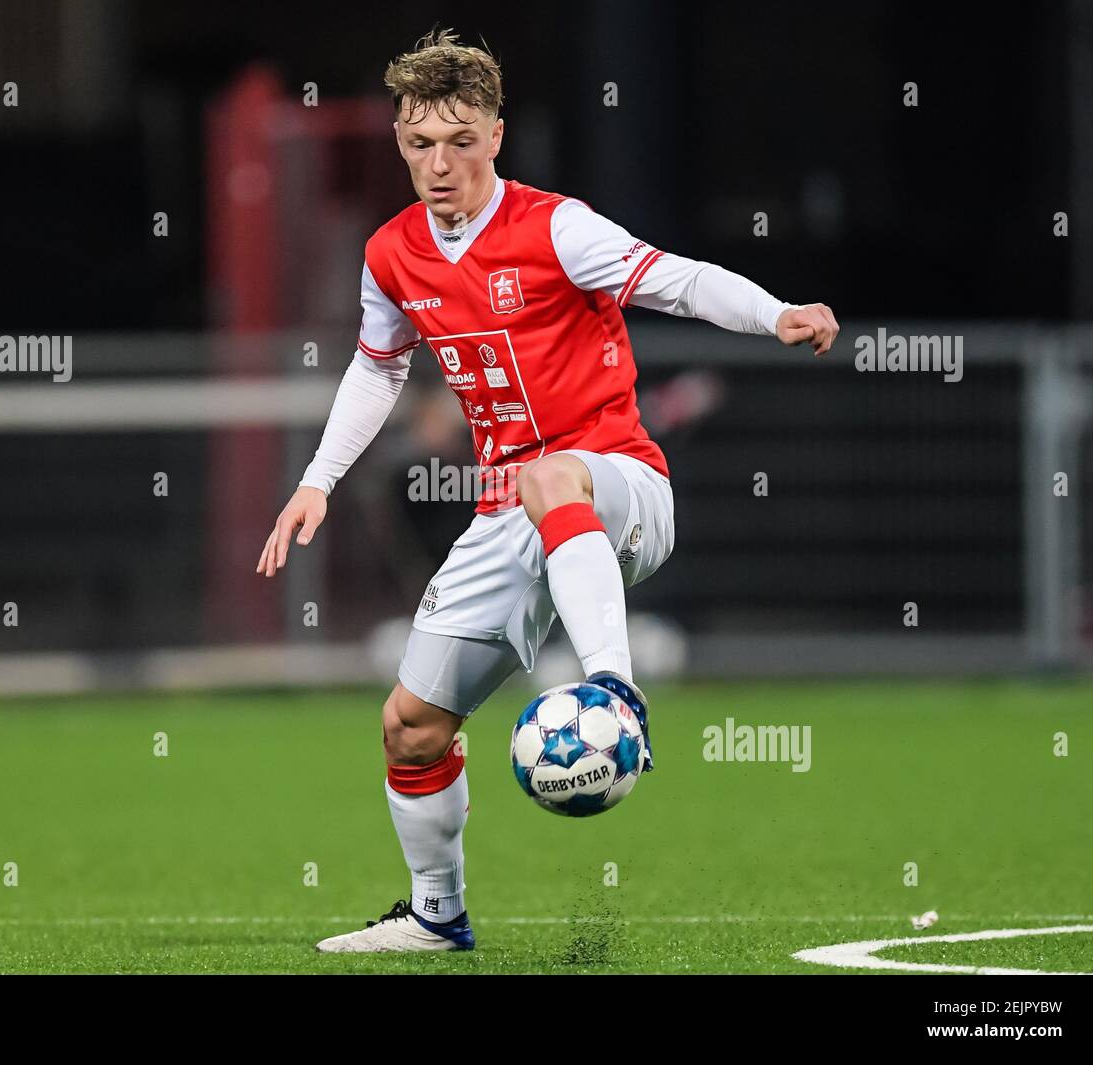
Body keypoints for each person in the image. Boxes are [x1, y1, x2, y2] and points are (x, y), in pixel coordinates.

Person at [257, 28, 839, 952]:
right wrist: (316, 480)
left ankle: (614, 693)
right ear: (401, 145)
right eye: (418, 145)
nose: (437, 163)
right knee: (410, 726)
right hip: (510, 511)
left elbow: (676, 282)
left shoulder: (556, 226)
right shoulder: (391, 255)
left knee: (549, 472)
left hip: (620, 487)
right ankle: (436, 916)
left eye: (458, 141)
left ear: (494, 136)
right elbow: (376, 370)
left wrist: (775, 313)